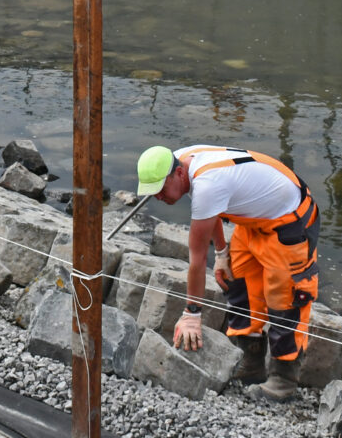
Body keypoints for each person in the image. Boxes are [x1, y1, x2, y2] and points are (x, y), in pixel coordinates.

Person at [135, 143, 320, 401]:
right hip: (253, 218)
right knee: (238, 280)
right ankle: (251, 364)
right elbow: (211, 209)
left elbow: (197, 260)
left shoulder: (207, 181)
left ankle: (284, 380)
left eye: (160, 189)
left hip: (289, 221)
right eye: (152, 192)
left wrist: (192, 314)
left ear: (177, 175)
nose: (158, 197)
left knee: (285, 299)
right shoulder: (179, 161)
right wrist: (222, 254)